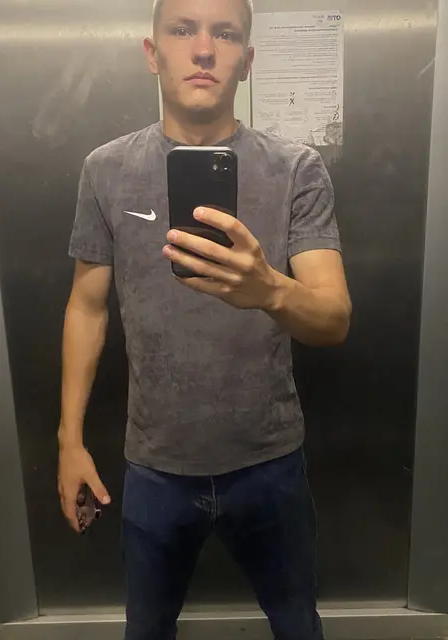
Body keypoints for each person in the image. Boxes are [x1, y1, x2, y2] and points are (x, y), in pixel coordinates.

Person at [57, 0, 352, 638]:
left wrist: (270, 289)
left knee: (298, 627)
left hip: (269, 461)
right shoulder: (106, 170)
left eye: (225, 34)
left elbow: (333, 319)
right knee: (146, 631)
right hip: (154, 465)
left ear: (247, 61)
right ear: (152, 53)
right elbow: (86, 306)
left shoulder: (296, 169)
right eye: (182, 30)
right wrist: (69, 442)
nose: (202, 50)